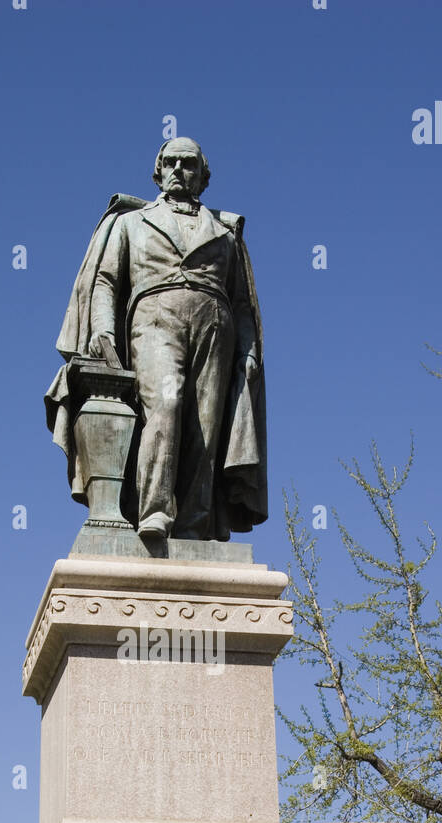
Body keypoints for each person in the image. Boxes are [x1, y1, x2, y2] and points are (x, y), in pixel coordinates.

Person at [46, 138, 267, 541]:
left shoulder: (226, 233)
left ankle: (195, 523)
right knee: (165, 405)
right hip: (153, 319)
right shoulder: (130, 222)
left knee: (206, 425)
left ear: (204, 176)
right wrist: (103, 330)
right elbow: (107, 281)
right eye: (171, 162)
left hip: (215, 326)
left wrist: (248, 351)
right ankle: (156, 511)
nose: (179, 169)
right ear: (157, 171)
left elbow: (241, 303)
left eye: (189, 163)